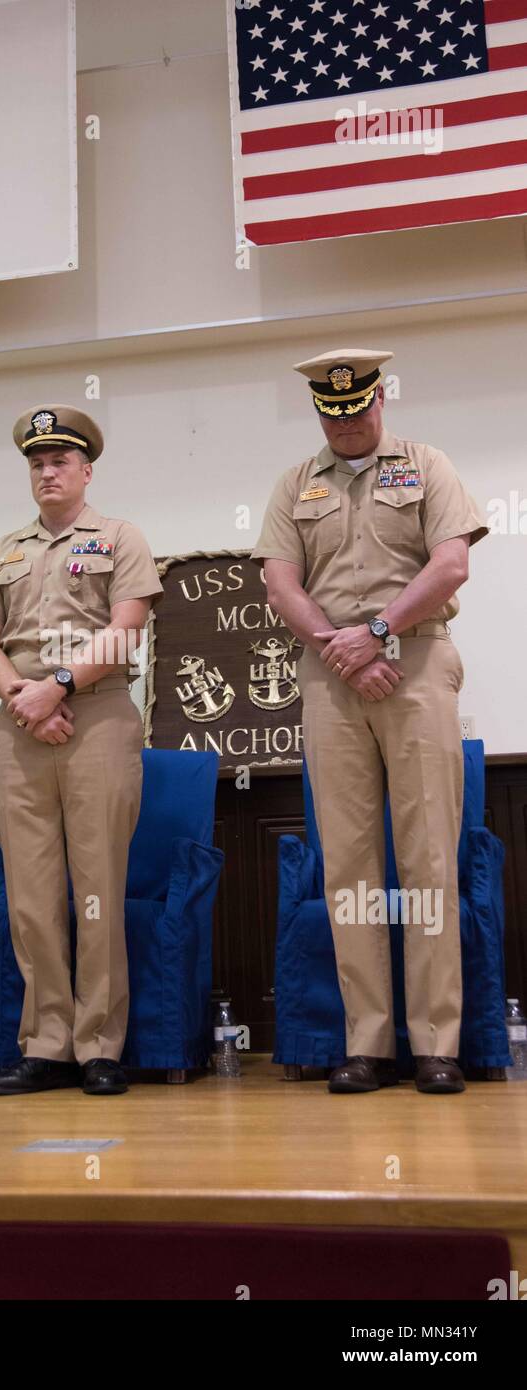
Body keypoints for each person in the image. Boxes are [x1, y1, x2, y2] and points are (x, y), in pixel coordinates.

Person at [252, 349, 487, 1095]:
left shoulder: (425, 465)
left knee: (426, 859)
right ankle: (367, 1042)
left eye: (356, 409)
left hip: (414, 660)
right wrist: (341, 647)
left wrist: (378, 633)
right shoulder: (296, 484)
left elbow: (450, 565)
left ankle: (437, 1044)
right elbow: (278, 582)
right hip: (330, 672)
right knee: (348, 866)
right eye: (331, 411)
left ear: (379, 399)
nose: (345, 423)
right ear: (318, 410)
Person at [0, 405, 163, 1095]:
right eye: (36, 464)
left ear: (85, 471)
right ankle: (46, 1043)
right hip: (20, 723)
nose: (47, 473)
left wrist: (57, 687)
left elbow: (125, 628)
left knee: (96, 889)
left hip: (98, 718)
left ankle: (99, 1044)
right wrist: (24, 697)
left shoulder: (118, 536)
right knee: (30, 894)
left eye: (59, 462)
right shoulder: (3, 551)